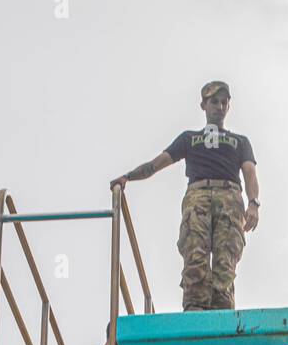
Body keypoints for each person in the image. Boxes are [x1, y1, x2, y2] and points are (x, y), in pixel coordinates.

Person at [109, 80, 260, 311]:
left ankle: (223, 315)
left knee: (225, 262)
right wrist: (128, 177)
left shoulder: (240, 141)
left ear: (228, 107)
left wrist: (253, 203)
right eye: (213, 102)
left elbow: (249, 172)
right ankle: (195, 311)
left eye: (223, 102)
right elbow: (157, 163)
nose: (219, 107)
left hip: (230, 197)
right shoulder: (190, 138)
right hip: (198, 196)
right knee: (195, 257)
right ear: (203, 105)